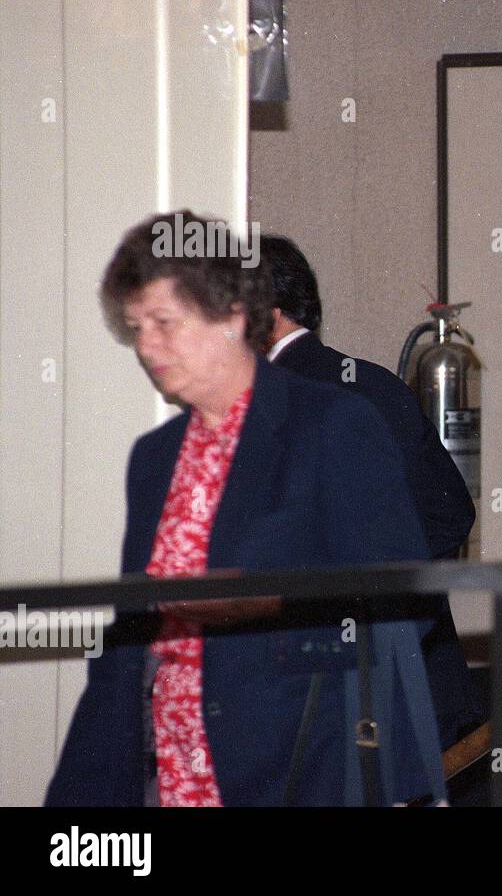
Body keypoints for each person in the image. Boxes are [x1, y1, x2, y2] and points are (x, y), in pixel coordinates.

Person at [46, 211, 445, 806]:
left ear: (232, 315)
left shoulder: (333, 426)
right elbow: (126, 652)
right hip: (172, 779)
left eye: (163, 322)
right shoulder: (155, 459)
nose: (146, 347)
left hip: (299, 771)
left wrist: (266, 605)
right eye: (135, 328)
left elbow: (407, 604)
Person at [260, 234, 482, 750]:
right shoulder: (377, 383)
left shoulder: (265, 408)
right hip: (419, 687)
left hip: (315, 703)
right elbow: (452, 513)